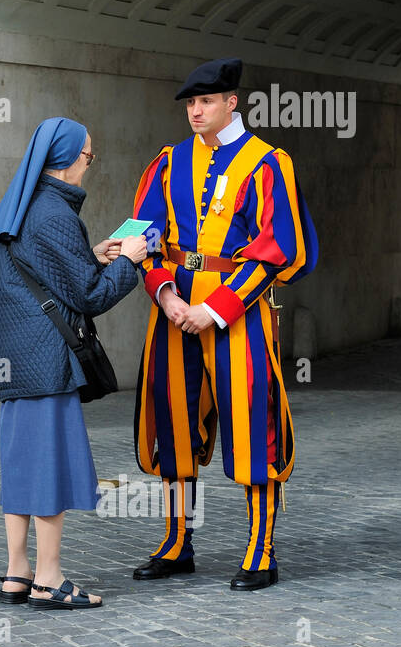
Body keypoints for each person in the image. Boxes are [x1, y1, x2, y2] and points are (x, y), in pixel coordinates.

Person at [130, 58, 318, 590]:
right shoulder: (167, 163)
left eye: (206, 102)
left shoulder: (267, 163)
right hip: (172, 309)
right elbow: (144, 235)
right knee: (173, 418)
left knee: (251, 421)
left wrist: (213, 310)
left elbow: (277, 248)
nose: (196, 111)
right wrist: (165, 293)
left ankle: (261, 549)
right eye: (190, 103)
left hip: (237, 314)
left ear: (232, 102)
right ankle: (175, 541)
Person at [0, 117, 147, 609]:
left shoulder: (18, 209)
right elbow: (90, 296)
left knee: (20, 467)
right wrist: (131, 260)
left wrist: (93, 254)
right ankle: (50, 578)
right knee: (49, 468)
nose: (89, 164)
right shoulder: (54, 214)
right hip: (49, 365)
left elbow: (50, 272)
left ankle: (18, 571)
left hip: (16, 365)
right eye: (89, 156)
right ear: (71, 159)